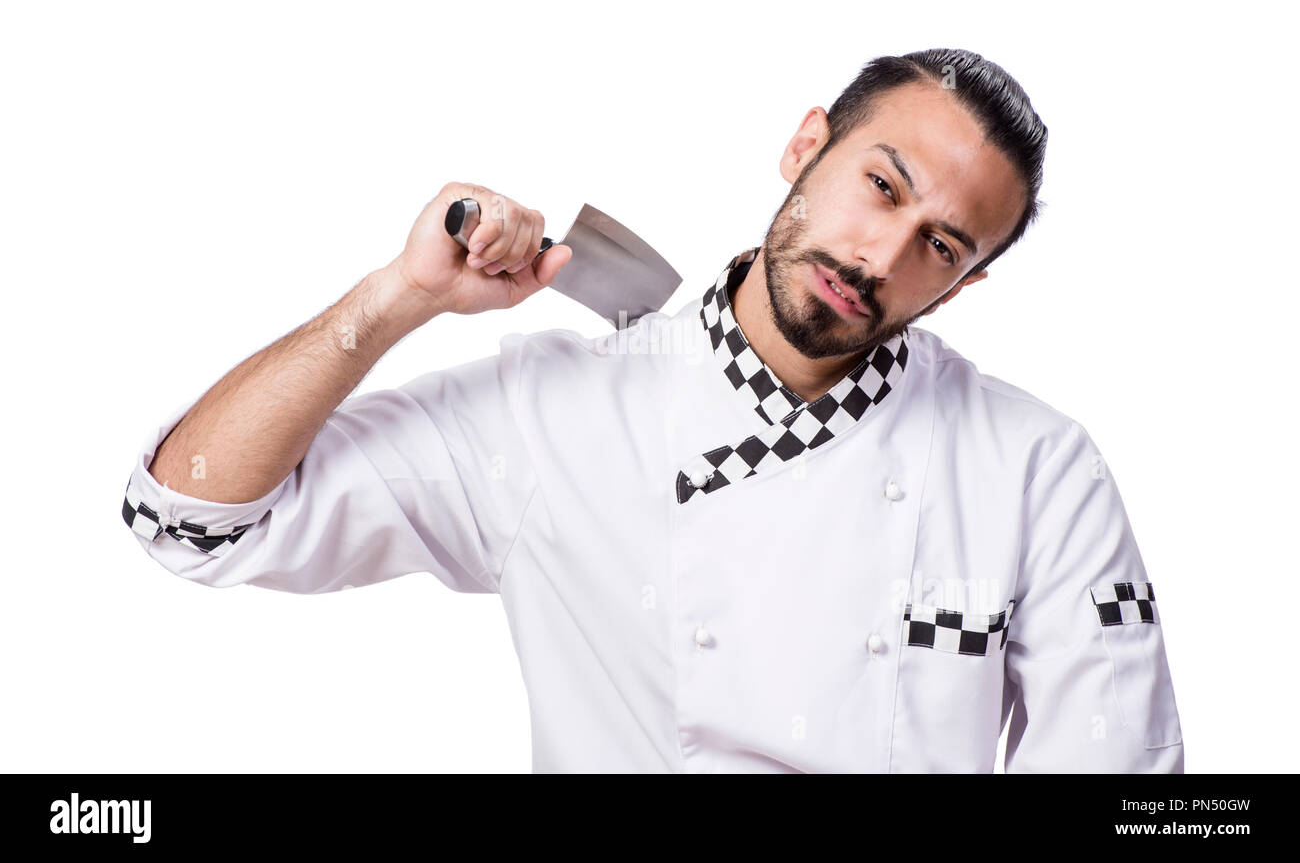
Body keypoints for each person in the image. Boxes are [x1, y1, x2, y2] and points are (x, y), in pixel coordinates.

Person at [121, 48, 1184, 772]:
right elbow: (189, 517)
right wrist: (401, 297)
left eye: (942, 248)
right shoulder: (549, 415)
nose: (881, 256)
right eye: (882, 186)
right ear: (804, 145)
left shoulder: (1037, 468)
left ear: (965, 286)